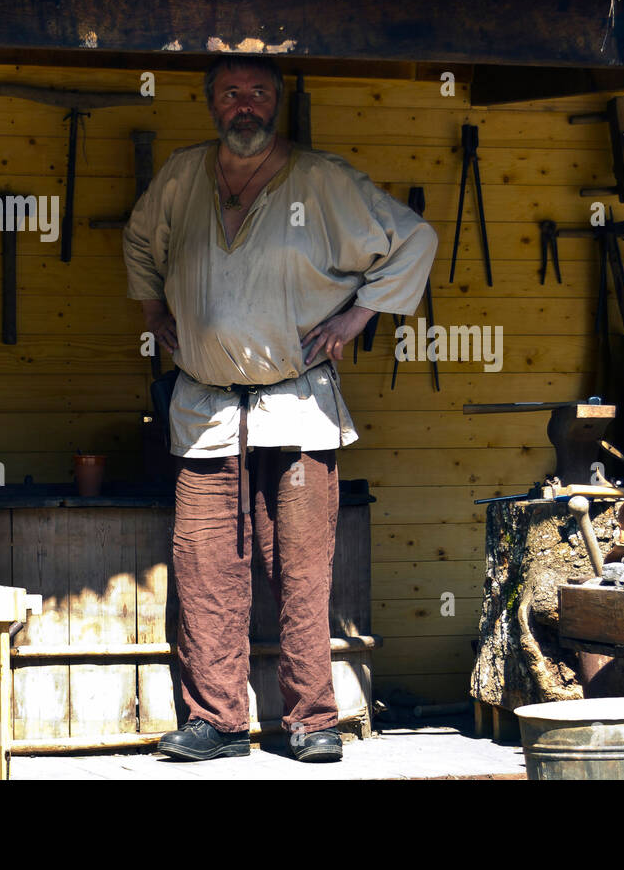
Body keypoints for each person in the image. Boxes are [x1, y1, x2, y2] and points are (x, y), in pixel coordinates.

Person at [122, 56, 436, 762]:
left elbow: (414, 240)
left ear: (278, 103)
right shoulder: (181, 177)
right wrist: (151, 304)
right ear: (211, 104)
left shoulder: (324, 182)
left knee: (300, 567)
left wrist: (358, 319)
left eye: (259, 92)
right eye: (231, 92)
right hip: (203, 410)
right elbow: (141, 239)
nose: (246, 105)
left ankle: (312, 720)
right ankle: (218, 722)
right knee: (204, 567)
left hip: (296, 407)